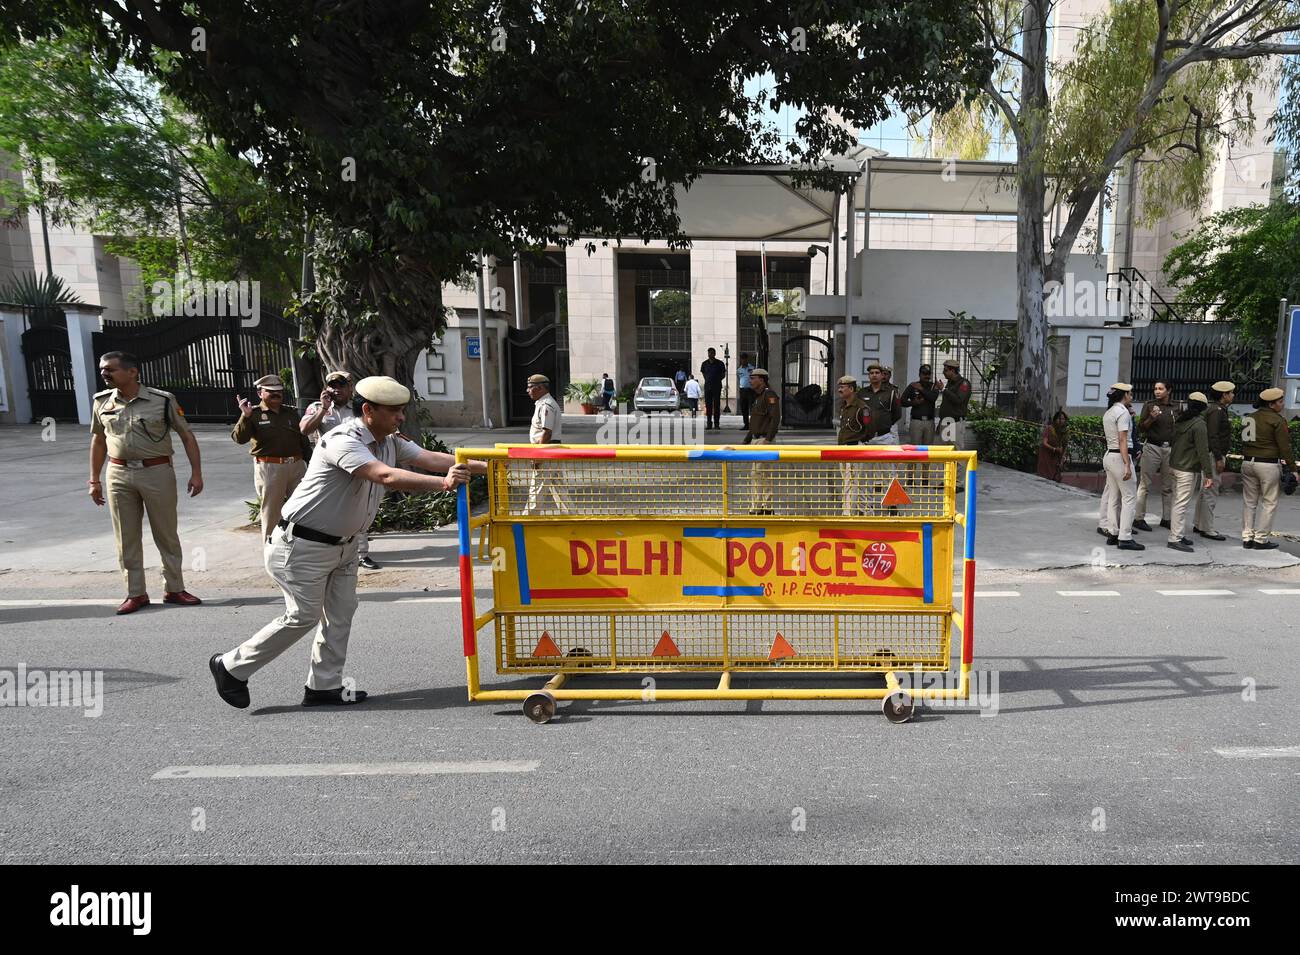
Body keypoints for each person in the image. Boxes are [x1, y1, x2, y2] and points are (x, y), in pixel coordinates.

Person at [209, 376, 486, 709]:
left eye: (402, 410)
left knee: (340, 614)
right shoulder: (343, 439)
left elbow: (428, 457)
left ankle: (324, 685)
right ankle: (230, 666)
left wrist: (495, 466)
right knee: (303, 616)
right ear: (368, 410)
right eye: (394, 411)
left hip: (344, 546)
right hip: (302, 546)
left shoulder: (389, 441)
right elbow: (384, 475)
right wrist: (444, 484)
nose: (401, 417)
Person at [88, 351, 204, 615]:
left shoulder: (162, 400)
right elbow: (98, 441)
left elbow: (187, 436)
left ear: (132, 372)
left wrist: (196, 473)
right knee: (126, 536)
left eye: (111, 369)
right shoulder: (101, 402)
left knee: (166, 533)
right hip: (118, 474)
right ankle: (135, 593)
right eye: (102, 369)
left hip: (157, 472)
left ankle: (174, 588)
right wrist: (94, 479)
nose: (105, 373)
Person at [301, 371, 380, 569]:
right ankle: (327, 550)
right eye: (332, 386)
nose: (336, 390)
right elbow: (304, 430)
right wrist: (322, 409)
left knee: (358, 507)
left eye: (341, 386)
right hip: (329, 469)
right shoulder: (317, 408)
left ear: (350, 388)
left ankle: (361, 554)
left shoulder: (357, 409)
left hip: (356, 465)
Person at [233, 374, 311, 543]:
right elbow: (239, 439)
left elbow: (302, 439)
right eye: (271, 392)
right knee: (271, 511)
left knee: (301, 507)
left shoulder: (290, 413)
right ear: (260, 393)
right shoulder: (252, 413)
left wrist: (309, 462)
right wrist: (244, 417)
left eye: (279, 392)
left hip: (296, 466)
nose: (276, 395)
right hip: (270, 468)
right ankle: (271, 547)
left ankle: (300, 544)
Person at [1240, 387, 1296, 550]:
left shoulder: (1248, 418)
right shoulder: (1277, 420)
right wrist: (1293, 469)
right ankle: (1260, 539)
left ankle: (1247, 537)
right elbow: (1285, 448)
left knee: (1249, 502)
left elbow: (1244, 442)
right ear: (1271, 404)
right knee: (1269, 502)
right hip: (1268, 465)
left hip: (1247, 463)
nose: (1282, 404)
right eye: (1280, 402)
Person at [1166, 392, 1216, 553]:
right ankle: (1175, 538)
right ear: (1203, 407)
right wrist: (1208, 474)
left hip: (1174, 466)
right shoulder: (1199, 424)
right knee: (1181, 504)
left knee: (1176, 502)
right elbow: (1203, 451)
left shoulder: (1181, 420)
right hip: (1186, 469)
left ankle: (1178, 534)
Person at [1100, 383, 1144, 550]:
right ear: (1124, 395)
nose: (1131, 396)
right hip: (1119, 457)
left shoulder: (1109, 412)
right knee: (1129, 498)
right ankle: (1125, 537)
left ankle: (1113, 533)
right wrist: (1127, 464)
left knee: (1113, 497)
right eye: (1130, 393)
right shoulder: (1123, 412)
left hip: (1109, 456)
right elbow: (1123, 439)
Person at [1194, 380, 1235, 541]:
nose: (1232, 395)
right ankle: (1207, 528)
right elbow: (1213, 435)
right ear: (1224, 395)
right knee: (1211, 490)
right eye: (1230, 393)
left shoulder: (1216, 409)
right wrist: (1218, 458)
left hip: (1212, 454)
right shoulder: (1217, 411)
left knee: (1205, 491)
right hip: (1214, 455)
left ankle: (1199, 523)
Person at [1133, 382, 1176, 532]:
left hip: (1169, 449)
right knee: (1144, 484)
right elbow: (1141, 428)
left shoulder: (1176, 407)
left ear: (1168, 390)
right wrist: (1151, 418)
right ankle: (1138, 518)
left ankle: (1166, 518)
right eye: (1155, 389)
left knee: (1168, 486)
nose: (1157, 391)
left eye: (1160, 389)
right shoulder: (1149, 405)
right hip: (1152, 447)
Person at [525, 373, 567, 514]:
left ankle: (527, 521)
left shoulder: (546, 405)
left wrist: (538, 455)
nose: (528, 390)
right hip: (551, 451)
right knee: (559, 489)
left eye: (530, 387)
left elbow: (546, 432)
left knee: (537, 488)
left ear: (540, 388)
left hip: (546, 451)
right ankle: (572, 518)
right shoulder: (544, 403)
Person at [743, 368, 780, 514]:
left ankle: (761, 507)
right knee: (758, 474)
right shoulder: (758, 397)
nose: (750, 380)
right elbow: (755, 424)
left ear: (762, 380)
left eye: (753, 378)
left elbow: (775, 418)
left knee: (762, 474)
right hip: (756, 440)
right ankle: (761, 506)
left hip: (764, 440)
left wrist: (768, 439)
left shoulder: (769, 395)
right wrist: (746, 441)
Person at [835, 375, 871, 515]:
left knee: (851, 483)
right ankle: (864, 511)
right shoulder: (844, 406)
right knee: (851, 482)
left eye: (842, 387)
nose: (840, 390)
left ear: (851, 389)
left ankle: (847, 513)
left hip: (854, 448)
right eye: (839, 387)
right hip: (844, 448)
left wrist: (860, 442)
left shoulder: (862, 407)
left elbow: (869, 429)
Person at [937, 359, 972, 450]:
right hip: (945, 421)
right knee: (945, 452)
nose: (943, 372)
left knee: (956, 451)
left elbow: (958, 400)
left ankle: (957, 465)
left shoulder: (964, 383)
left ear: (952, 371)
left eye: (945, 370)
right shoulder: (950, 383)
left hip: (955, 423)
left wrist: (944, 390)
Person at [1037, 411, 1069, 482]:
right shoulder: (1049, 428)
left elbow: (1065, 446)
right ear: (1055, 419)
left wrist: (1063, 458)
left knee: (1055, 477)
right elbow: (1044, 443)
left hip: (1056, 458)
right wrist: (1054, 449)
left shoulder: (1065, 432)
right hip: (1046, 456)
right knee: (1044, 477)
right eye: (1059, 418)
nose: (1061, 420)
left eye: (1063, 419)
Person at [700, 347, 727, 430]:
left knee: (716, 405)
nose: (710, 354)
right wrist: (709, 380)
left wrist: (716, 380)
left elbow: (723, 374)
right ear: (708, 354)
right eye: (709, 353)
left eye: (712, 353)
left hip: (717, 386)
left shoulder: (720, 363)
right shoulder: (704, 363)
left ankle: (716, 424)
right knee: (708, 406)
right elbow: (704, 374)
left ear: (714, 354)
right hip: (708, 387)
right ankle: (709, 423)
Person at [737, 353, 755, 429]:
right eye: (742, 358)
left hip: (750, 390)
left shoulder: (752, 368)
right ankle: (746, 425)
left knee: (752, 408)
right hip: (742, 390)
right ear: (740, 360)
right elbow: (739, 379)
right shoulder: (739, 370)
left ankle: (753, 424)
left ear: (747, 359)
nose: (743, 360)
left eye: (745, 358)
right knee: (744, 408)